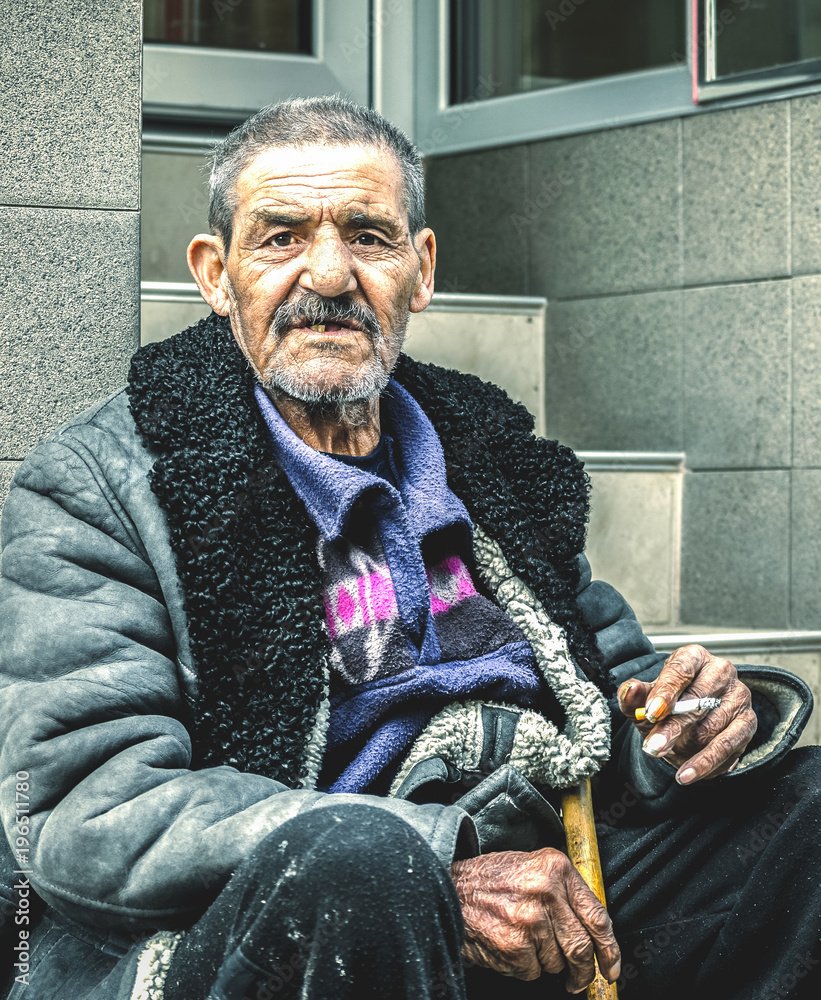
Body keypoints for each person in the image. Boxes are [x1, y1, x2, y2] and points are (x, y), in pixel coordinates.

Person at [0, 95, 818, 1000]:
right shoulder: (103, 484)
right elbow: (91, 814)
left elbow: (612, 697)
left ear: (419, 270)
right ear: (214, 273)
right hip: (307, 909)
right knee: (360, 865)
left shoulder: (488, 451)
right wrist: (434, 865)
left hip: (547, 876)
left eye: (368, 236)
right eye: (278, 238)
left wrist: (689, 722)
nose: (329, 273)